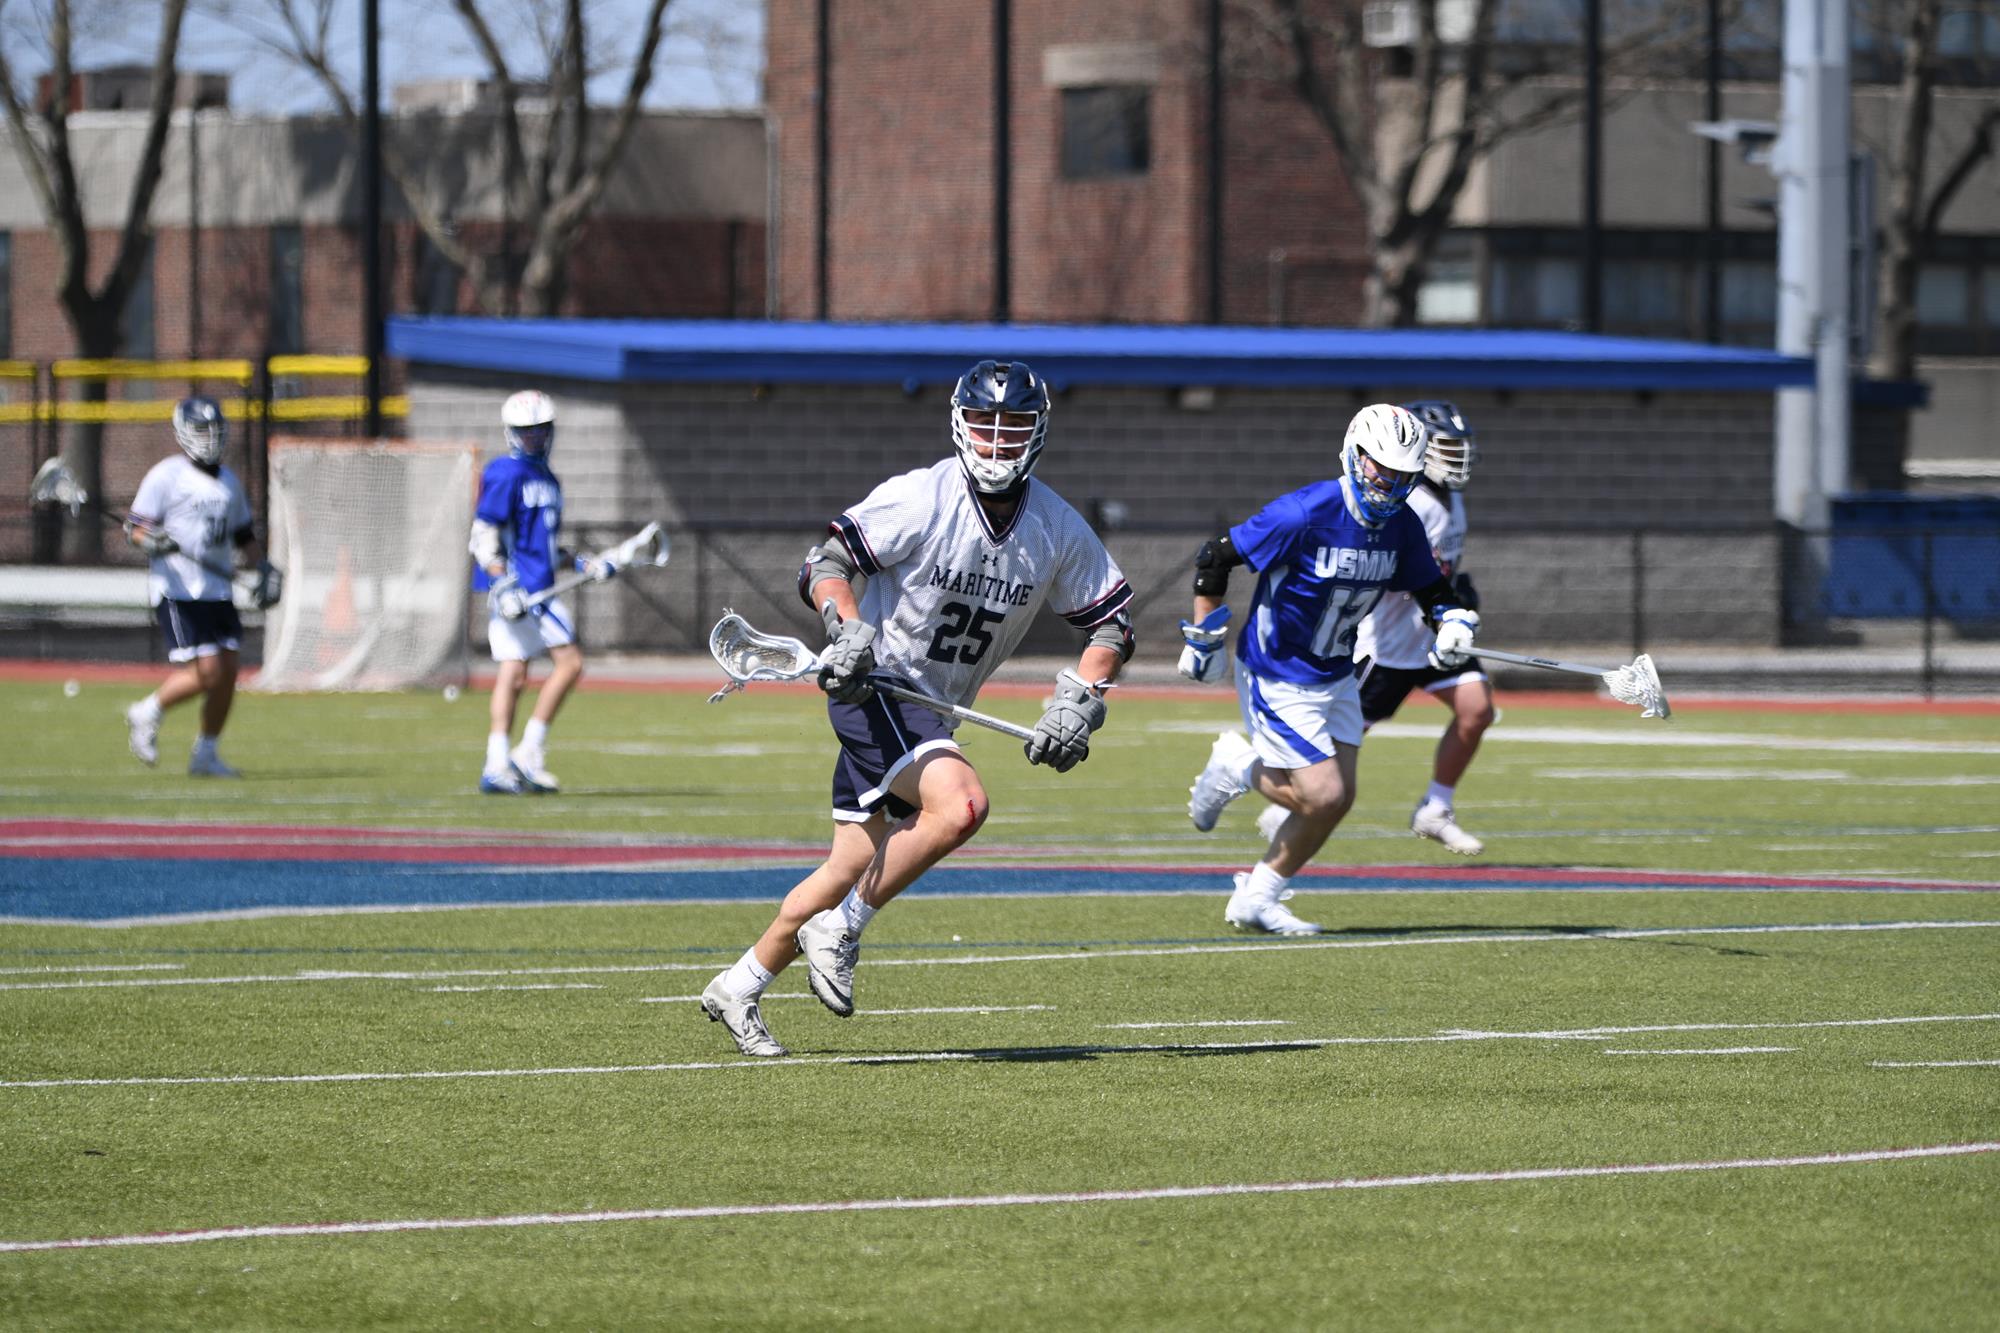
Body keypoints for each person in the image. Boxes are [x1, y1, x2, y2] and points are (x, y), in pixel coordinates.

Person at [700, 359, 1135, 1057]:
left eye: (1013, 426)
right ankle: (842, 926)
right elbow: (828, 564)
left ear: (1039, 432)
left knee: (847, 861)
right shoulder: (922, 497)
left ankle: (740, 983)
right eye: (984, 426)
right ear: (961, 427)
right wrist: (844, 630)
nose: (997, 442)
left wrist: (1080, 699)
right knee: (962, 806)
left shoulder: (1056, 526)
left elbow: (1111, 626)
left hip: (935, 709)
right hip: (875, 686)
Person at [1178, 403, 1478, 935]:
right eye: (1380, 467)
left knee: (1338, 801)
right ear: (1353, 454)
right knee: (1324, 794)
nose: (1388, 483)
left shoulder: (1403, 525)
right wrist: (1205, 639)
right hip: (1277, 669)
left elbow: (1430, 586)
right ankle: (1236, 766)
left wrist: (1450, 619)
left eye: (1403, 474)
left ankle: (1258, 896)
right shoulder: (1305, 513)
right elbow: (1215, 557)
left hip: (1336, 670)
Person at [1297, 399, 1494, 855]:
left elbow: (1443, 567)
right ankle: (1288, 799)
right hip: (1388, 642)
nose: (1456, 457)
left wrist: (1455, 600)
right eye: (1446, 447)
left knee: (1477, 709)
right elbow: (1385, 569)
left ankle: (1435, 808)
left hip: (1436, 637)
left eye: (1459, 447)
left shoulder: (1452, 499)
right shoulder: (1408, 502)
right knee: (1343, 735)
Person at [469, 389, 618, 795]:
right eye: (526, 430)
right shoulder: (505, 473)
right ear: (511, 433)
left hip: (539, 584)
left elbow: (545, 546)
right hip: (522, 592)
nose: (534, 437)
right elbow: (484, 535)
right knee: (567, 663)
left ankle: (500, 761)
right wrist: (501, 581)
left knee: (515, 672)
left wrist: (583, 561)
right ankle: (524, 753)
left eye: (540, 429)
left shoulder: (549, 478)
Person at [123, 396, 280, 778]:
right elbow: (135, 527)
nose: (209, 439)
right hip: (179, 588)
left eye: (215, 432)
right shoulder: (166, 475)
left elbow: (243, 534)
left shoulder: (229, 482)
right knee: (208, 669)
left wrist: (261, 567)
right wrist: (152, 541)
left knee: (228, 671)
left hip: (216, 588)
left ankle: (206, 754)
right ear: (182, 432)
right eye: (200, 431)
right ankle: (146, 711)